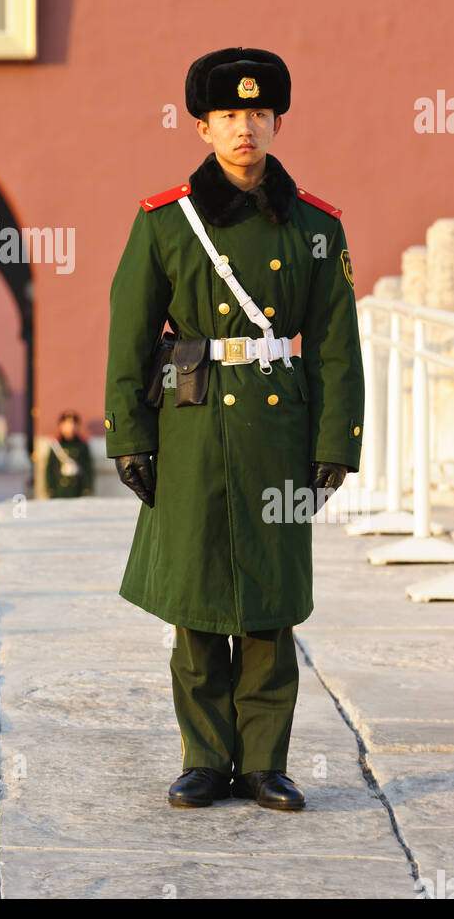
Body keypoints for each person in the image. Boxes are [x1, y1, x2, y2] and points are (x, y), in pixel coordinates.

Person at [103, 47, 364, 812]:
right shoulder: (164, 221)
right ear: (200, 127)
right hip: (187, 426)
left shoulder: (316, 226)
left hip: (276, 433)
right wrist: (129, 435)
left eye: (256, 114)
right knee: (195, 599)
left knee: (267, 600)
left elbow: (334, 340)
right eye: (227, 116)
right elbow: (128, 331)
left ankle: (263, 763)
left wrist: (334, 442)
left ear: (277, 121)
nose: (243, 128)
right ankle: (203, 759)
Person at [45, 412, 94, 499]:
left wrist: (87, 488)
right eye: (67, 424)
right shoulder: (56, 445)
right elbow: (50, 468)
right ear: (61, 425)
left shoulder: (82, 445)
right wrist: (50, 488)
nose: (70, 427)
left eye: (73, 424)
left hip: (77, 489)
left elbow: (88, 468)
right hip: (59, 489)